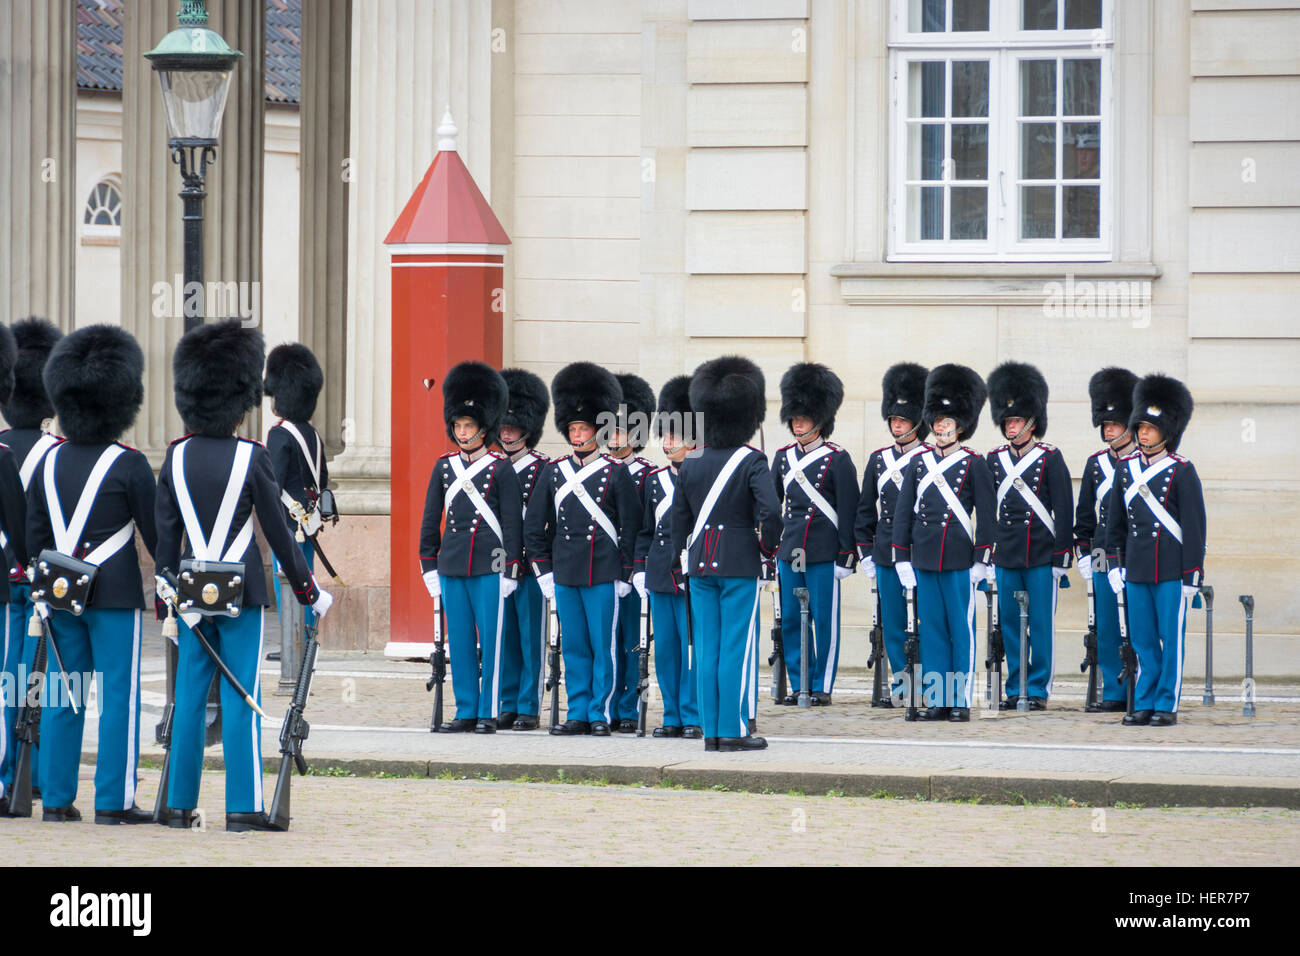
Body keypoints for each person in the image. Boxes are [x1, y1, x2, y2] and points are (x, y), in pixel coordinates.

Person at [155, 319, 332, 831]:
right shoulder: (251, 457)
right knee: (242, 693)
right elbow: (279, 535)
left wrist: (168, 589)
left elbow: (166, 537)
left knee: (188, 699)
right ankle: (242, 807)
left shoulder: (174, 456)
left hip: (188, 593)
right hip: (241, 594)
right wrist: (308, 591)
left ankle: (178, 804)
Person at [25, 325, 157, 823]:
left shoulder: (48, 460)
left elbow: (36, 532)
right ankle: (113, 800)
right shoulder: (130, 464)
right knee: (118, 697)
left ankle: (57, 800)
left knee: (63, 693)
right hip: (116, 594)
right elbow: (155, 534)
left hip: (59, 593)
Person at [671, 356, 781, 751]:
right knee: (735, 647)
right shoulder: (752, 460)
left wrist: (678, 559)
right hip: (738, 563)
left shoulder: (691, 461)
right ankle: (733, 731)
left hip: (699, 564)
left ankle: (711, 731)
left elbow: (678, 521)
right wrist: (767, 550)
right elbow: (771, 514)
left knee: (706, 647)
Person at [524, 362, 639, 737]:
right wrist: (544, 572)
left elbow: (631, 527)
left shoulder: (615, 472)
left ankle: (600, 713)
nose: (577, 434)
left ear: (596, 431)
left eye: (583, 428)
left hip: (603, 573)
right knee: (572, 646)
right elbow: (534, 528)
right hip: (566, 574)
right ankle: (577, 710)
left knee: (602, 646)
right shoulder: (554, 472)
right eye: (572, 428)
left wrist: (624, 575)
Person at [419, 361, 523, 733]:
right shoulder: (444, 467)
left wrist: (511, 569)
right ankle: (466, 709)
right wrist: (428, 565)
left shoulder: (500, 468)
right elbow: (431, 520)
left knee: (492, 644)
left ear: (483, 428)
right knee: (460, 642)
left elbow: (513, 525)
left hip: (490, 566)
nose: (462, 432)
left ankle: (488, 711)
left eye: (469, 426)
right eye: (458, 425)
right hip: (452, 566)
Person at [892, 364, 994, 721]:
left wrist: (981, 558)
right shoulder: (918, 462)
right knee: (932, 630)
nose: (941, 427)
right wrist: (902, 557)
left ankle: (961, 699)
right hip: (924, 557)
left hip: (958, 560)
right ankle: (937, 698)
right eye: (937, 421)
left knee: (960, 631)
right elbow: (903, 512)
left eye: (948, 422)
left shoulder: (974, 463)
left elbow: (988, 515)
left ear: (961, 427)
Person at [1103, 374, 1206, 727]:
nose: (1143, 433)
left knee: (1170, 639)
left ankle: (1166, 702)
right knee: (1143, 640)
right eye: (1141, 427)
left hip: (1171, 570)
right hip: (1137, 569)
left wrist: (1192, 573)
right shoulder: (1125, 470)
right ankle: (1144, 700)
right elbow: (1115, 524)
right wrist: (1115, 565)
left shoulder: (1182, 470)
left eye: (1150, 428)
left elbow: (1194, 526)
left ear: (1167, 432)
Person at [985, 362, 1074, 711]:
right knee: (1009, 625)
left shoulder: (1050, 457)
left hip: (1040, 554)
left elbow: (1064, 509)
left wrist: (1061, 556)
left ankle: (1037, 689)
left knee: (1039, 625)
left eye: (1016, 420)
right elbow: (988, 511)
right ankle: (1014, 687)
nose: (1010, 425)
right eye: (1007, 421)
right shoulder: (994, 460)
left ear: (1032, 422)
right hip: (1007, 554)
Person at [770, 363, 859, 706]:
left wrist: (846, 555)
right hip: (791, 549)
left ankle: (822, 685)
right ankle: (800, 682)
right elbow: (772, 504)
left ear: (819, 420)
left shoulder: (837, 458)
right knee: (792, 620)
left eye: (804, 418)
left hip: (823, 550)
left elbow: (849, 509)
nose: (797, 423)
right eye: (794, 418)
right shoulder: (782, 458)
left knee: (824, 620)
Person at [0, 318, 61, 806]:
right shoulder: (56, 452)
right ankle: (36, 771)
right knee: (37, 675)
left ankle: (9, 772)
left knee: (8, 673)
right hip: (43, 577)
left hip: (6, 578)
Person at [854, 362, 930, 705]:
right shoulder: (879, 459)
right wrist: (866, 553)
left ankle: (929, 683)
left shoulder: (931, 458)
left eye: (902, 420)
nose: (896, 425)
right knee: (895, 624)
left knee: (926, 622)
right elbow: (865, 510)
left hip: (923, 551)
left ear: (916, 422)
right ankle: (902, 687)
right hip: (886, 552)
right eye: (894, 420)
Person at [633, 375, 701, 738]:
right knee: (668, 653)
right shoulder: (654, 480)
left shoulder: (703, 476)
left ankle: (693, 714)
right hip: (661, 573)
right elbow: (644, 531)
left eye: (674, 436)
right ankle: (672, 714)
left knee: (691, 649)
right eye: (666, 435)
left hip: (691, 574)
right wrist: (641, 568)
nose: (668, 442)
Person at [1072, 367, 1139, 713]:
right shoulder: (1096, 464)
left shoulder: (1142, 461)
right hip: (1101, 553)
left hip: (1133, 553)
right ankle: (1114, 691)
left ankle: (1139, 690)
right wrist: (1083, 551)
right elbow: (1084, 516)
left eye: (1114, 424)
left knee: (1137, 623)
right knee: (1108, 623)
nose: (1109, 429)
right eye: (1106, 425)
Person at [494, 368, 551, 731]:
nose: (507, 433)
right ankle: (507, 700)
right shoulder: (491, 467)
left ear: (527, 430)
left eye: (513, 428)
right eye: (503, 427)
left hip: (529, 564)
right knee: (504, 638)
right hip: (497, 561)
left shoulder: (543, 467)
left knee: (531, 637)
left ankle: (529, 705)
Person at [263, 343, 331, 634]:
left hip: (288, 523)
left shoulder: (279, 434)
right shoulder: (312, 433)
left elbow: (271, 481)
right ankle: (304, 636)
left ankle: (294, 640)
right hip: (309, 521)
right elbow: (323, 478)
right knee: (307, 575)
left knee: (287, 579)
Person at [608, 373, 655, 732]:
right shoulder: (595, 470)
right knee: (603, 643)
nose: (613, 437)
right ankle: (604, 706)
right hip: (600, 569)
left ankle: (627, 707)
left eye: (622, 430)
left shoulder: (647, 474)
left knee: (631, 642)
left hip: (632, 570)